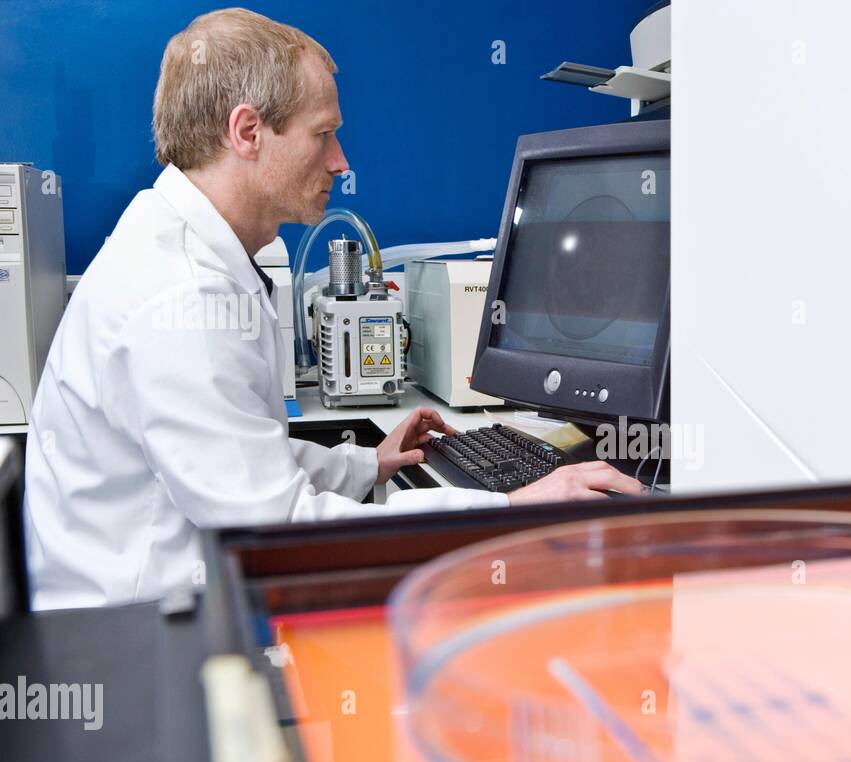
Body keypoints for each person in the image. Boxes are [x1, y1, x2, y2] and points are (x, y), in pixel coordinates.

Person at [23, 8, 641, 611]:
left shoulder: (188, 252)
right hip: (138, 650)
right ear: (247, 132)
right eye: (323, 133)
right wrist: (510, 510)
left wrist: (364, 463)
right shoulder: (182, 299)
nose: (340, 160)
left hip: (158, 609)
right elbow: (283, 531)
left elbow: (241, 457)